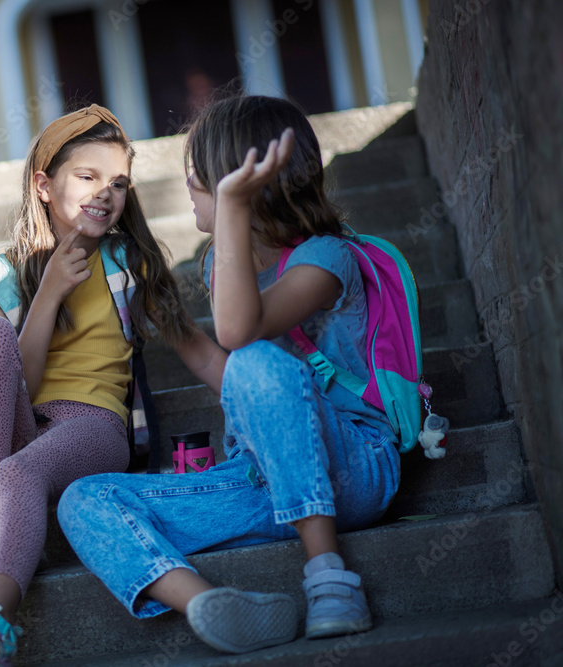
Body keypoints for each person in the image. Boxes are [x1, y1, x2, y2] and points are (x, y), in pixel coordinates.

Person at [57, 94, 402, 654]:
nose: (187, 190)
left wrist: (231, 210)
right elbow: (233, 377)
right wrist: (171, 323)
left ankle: (328, 578)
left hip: (354, 467)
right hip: (262, 481)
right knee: (83, 499)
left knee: (257, 358)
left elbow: (243, 340)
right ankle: (207, 604)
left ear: (237, 187)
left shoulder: (326, 257)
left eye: (196, 180)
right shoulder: (222, 264)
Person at [0, 105, 226, 666]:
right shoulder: (3, 273)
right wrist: (51, 290)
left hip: (93, 424)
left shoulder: (130, 263)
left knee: (21, 471)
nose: (106, 193)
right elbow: (22, 381)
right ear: (43, 184)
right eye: (88, 176)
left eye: (119, 183)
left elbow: (197, 350)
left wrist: (260, 393)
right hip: (19, 423)